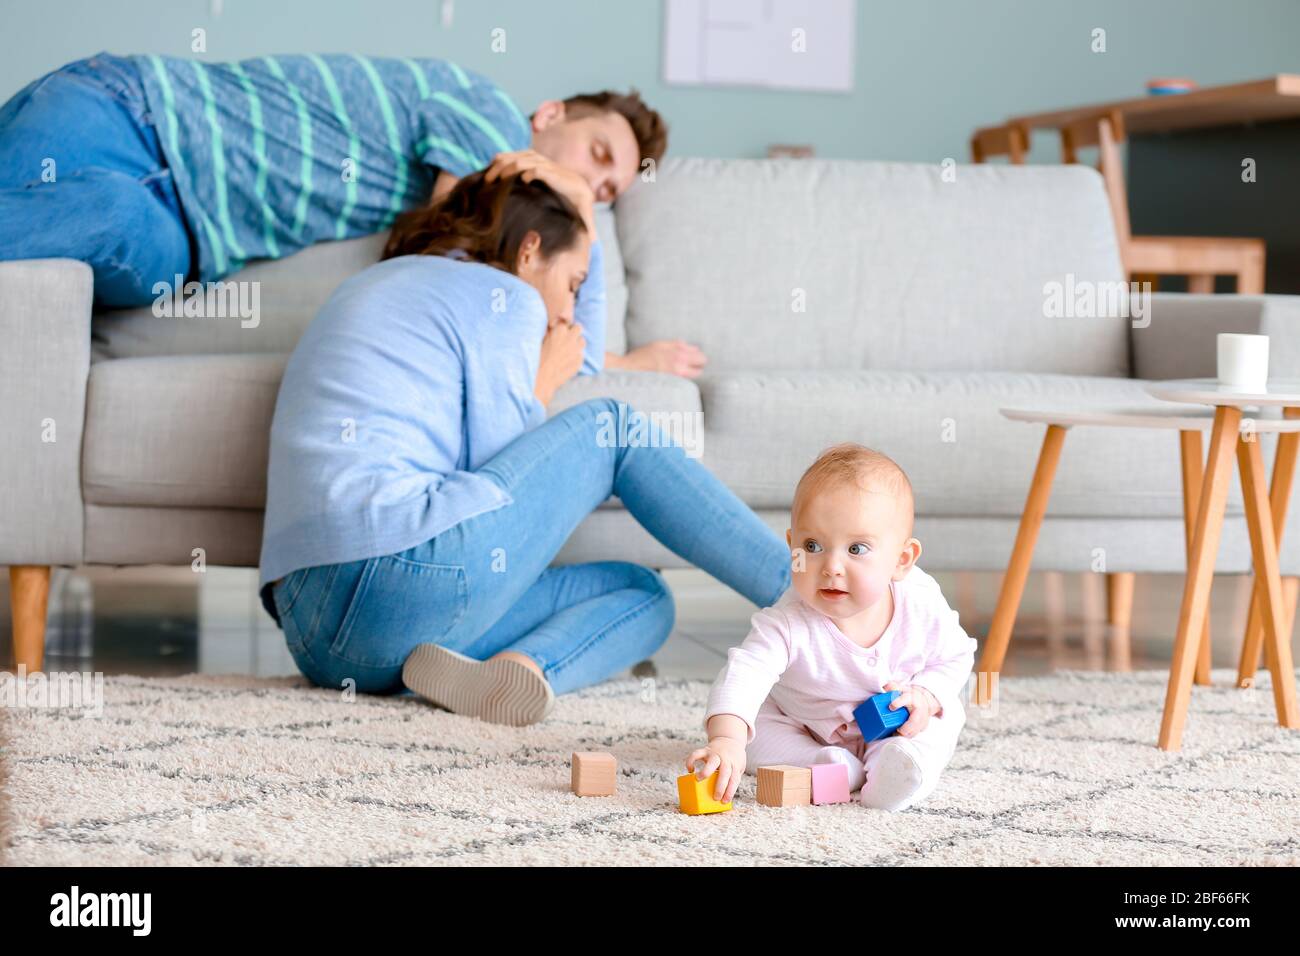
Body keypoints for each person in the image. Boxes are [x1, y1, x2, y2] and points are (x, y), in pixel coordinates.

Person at [258, 160, 788, 724]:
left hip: (317, 637)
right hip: (398, 578)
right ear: (529, 250)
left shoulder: (376, 284)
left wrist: (582, 204)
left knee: (645, 595)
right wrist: (540, 385)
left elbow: (579, 347)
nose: (565, 310)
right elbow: (499, 479)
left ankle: (517, 672)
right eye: (573, 286)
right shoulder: (501, 292)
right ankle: (815, 601)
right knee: (611, 426)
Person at [0, 51, 706, 376]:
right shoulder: (485, 110)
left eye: (610, 189)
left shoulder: (514, 216)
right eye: (597, 152)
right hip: (139, 115)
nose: (592, 180)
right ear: (549, 116)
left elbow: (500, 310)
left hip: (180, 236)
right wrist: (581, 207)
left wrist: (608, 358)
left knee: (101, 213)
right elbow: (446, 272)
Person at [684, 443, 976, 811]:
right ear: (792, 548)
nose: (831, 566)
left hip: (894, 721)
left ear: (901, 560)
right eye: (813, 545)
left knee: (942, 718)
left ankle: (898, 768)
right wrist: (726, 740)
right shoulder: (789, 621)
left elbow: (957, 656)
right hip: (803, 726)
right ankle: (832, 767)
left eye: (856, 549)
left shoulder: (920, 602)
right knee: (757, 731)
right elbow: (746, 671)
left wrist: (926, 694)